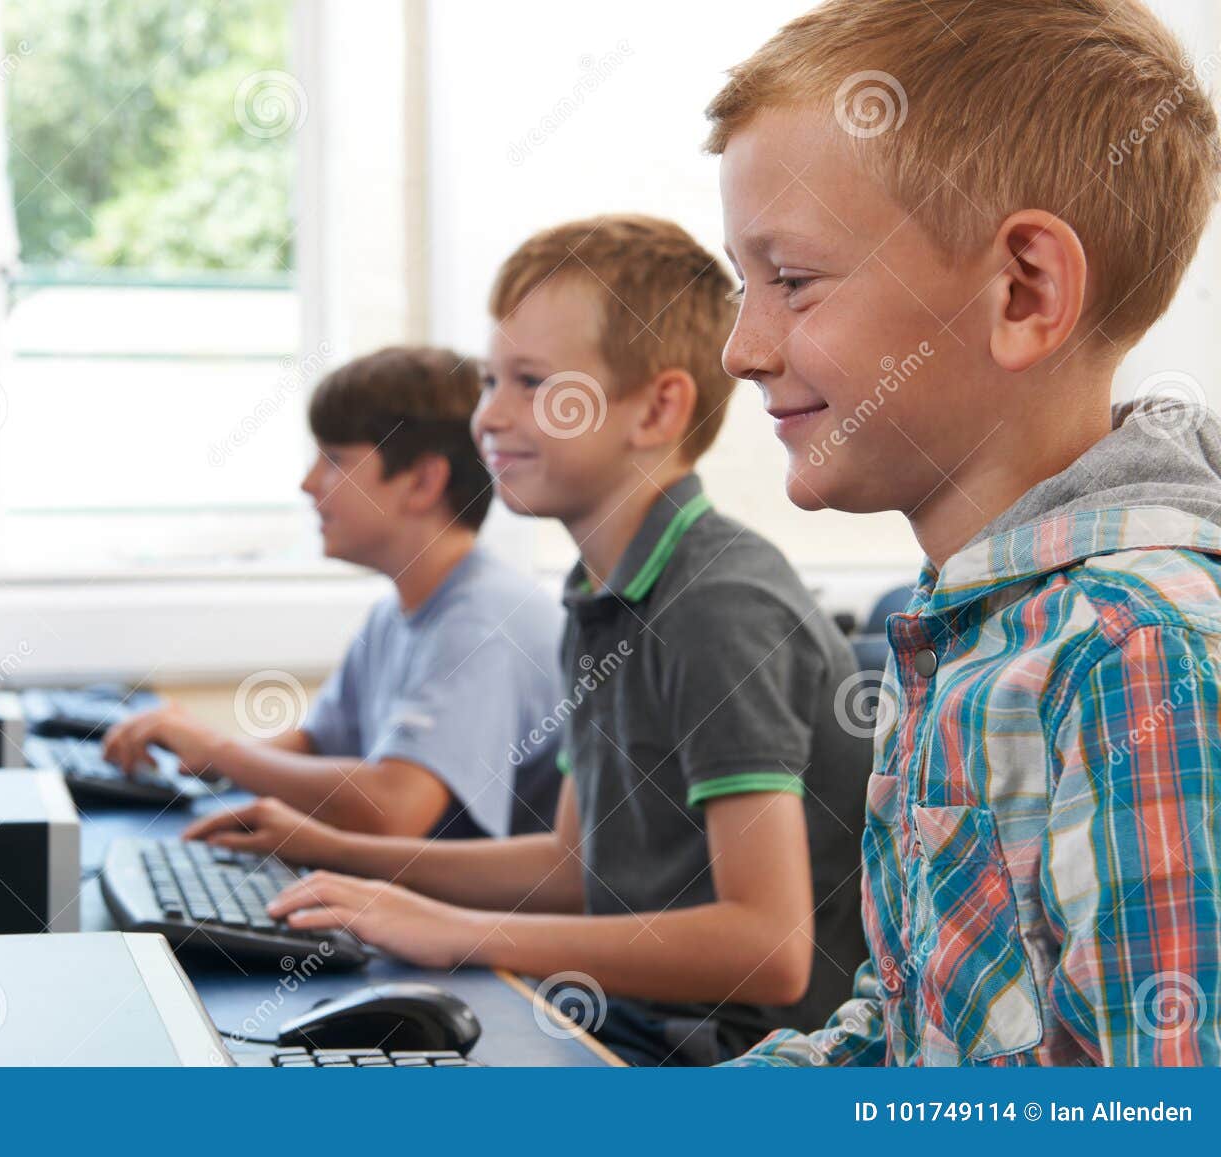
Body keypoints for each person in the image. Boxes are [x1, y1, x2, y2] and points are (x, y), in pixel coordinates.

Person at [187, 216, 871, 1065]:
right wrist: (334, 851)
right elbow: (571, 866)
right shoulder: (600, 592)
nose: (488, 418)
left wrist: (461, 932)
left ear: (658, 407)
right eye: (488, 380)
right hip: (632, 1015)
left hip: (729, 1055)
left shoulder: (716, 604)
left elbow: (767, 948)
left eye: (533, 383)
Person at [710, 0, 1221, 1064]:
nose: (741, 348)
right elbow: (904, 1029)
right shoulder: (960, 620)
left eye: (791, 282)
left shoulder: (1132, 654)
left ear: (1023, 291)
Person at [104, 345, 563, 839]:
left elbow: (396, 809)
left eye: (334, 459)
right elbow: (317, 744)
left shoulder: (482, 622)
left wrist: (221, 751)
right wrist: (198, 760)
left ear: (423, 481)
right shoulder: (398, 611)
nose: (308, 483)